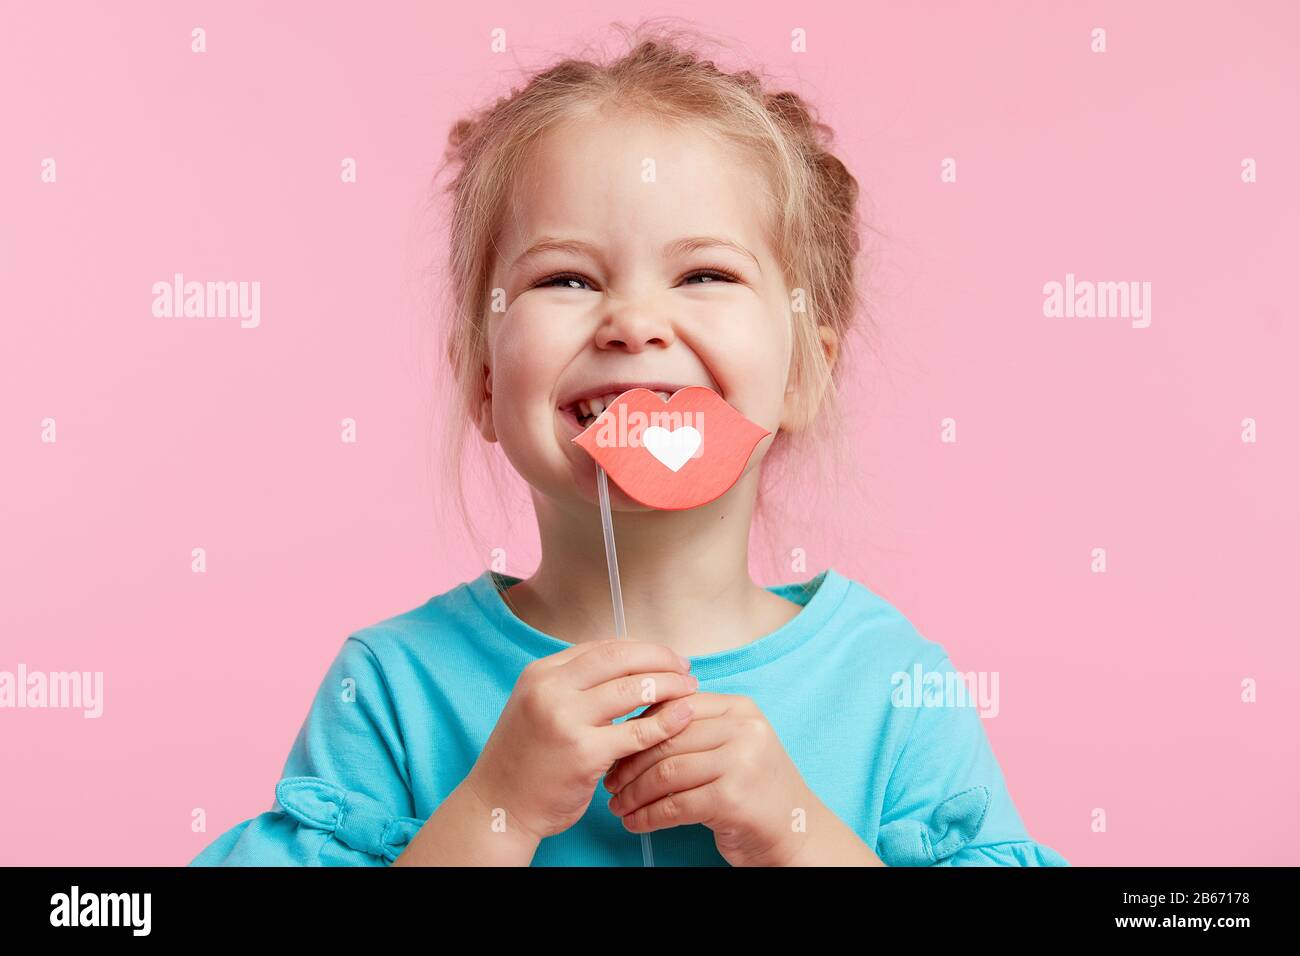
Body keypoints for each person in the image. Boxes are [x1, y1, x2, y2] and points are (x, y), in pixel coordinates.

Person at [190, 24, 1069, 867]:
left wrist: (797, 836)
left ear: (805, 374)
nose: (636, 324)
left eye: (705, 275)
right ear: (485, 384)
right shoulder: (393, 685)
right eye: (565, 278)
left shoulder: (892, 683)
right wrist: (494, 809)